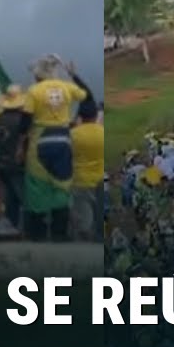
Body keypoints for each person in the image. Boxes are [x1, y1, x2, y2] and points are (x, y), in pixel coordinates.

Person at [20, 55, 90, 241]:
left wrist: (20, 143)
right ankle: (60, 234)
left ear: (38, 75)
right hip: (63, 139)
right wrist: (73, 75)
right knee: (62, 183)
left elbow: (25, 121)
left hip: (40, 139)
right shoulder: (67, 87)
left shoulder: (34, 91)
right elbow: (86, 96)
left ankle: (38, 234)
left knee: (37, 183)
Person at [0, 85, 28, 236]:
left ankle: (11, 224)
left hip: (2, 163)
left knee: (10, 196)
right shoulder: (22, 120)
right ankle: (26, 227)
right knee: (22, 196)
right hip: (17, 164)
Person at [70, 99, 105, 241]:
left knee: (84, 219)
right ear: (96, 116)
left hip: (80, 180)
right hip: (100, 179)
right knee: (100, 215)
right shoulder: (102, 132)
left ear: (80, 116)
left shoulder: (73, 134)